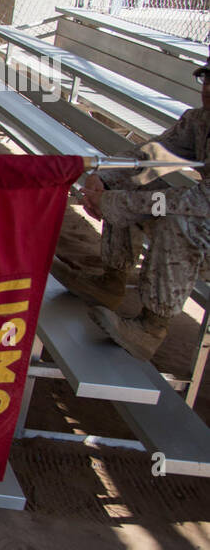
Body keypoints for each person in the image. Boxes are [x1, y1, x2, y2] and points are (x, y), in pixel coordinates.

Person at [57, 52, 210, 360]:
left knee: (177, 219)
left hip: (201, 221)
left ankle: (151, 328)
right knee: (128, 183)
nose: (207, 88)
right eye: (207, 78)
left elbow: (197, 204)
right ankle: (111, 282)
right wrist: (105, 178)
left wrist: (114, 202)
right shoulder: (200, 120)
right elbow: (152, 155)